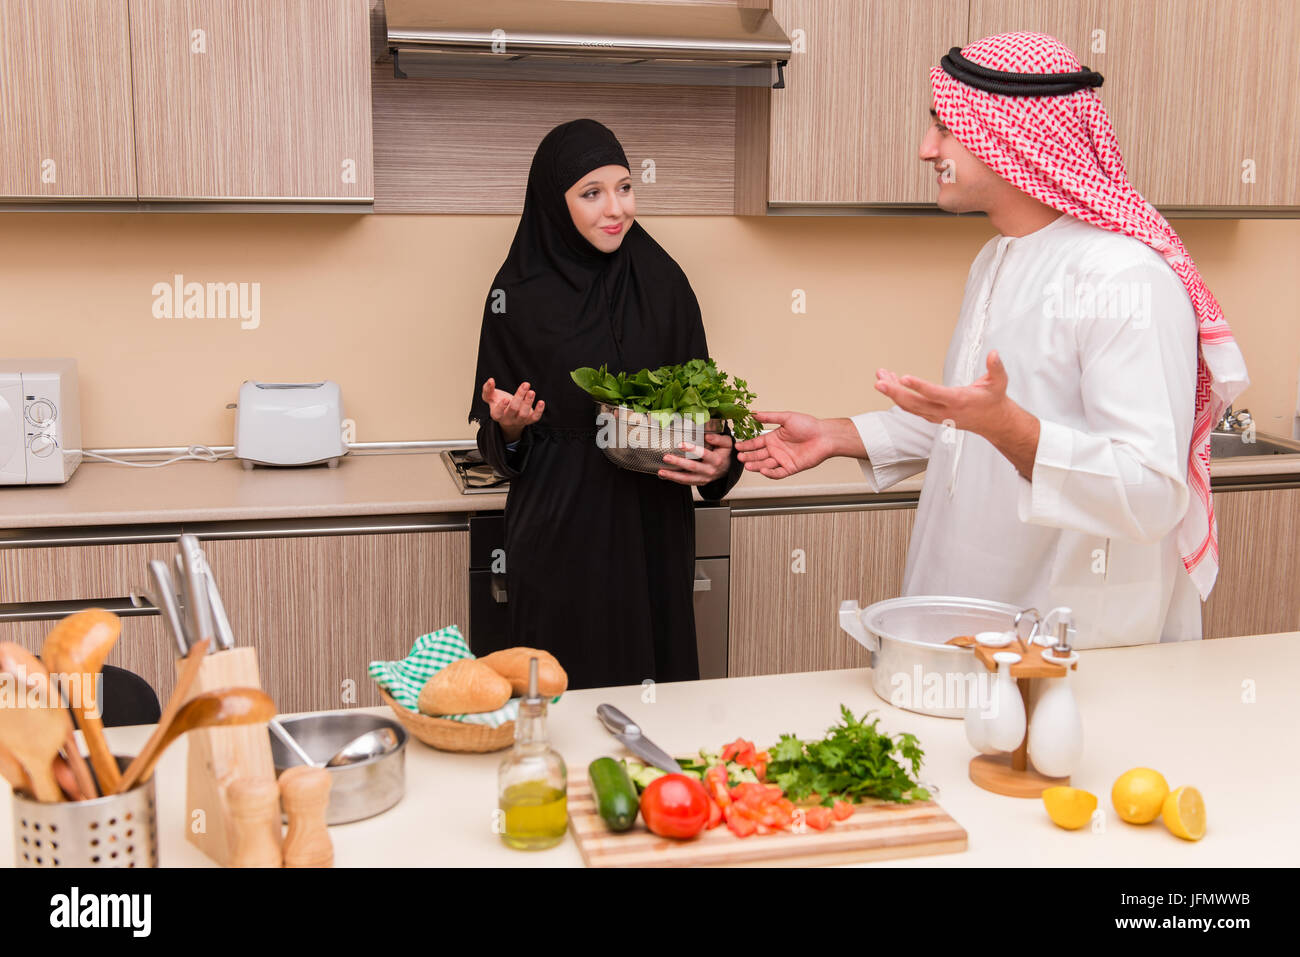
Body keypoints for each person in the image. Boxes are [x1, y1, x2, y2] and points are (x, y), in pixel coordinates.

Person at [736, 33, 1249, 648]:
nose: (928, 150)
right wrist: (840, 435)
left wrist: (1007, 425)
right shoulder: (997, 257)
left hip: (1072, 645)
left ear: (1009, 136)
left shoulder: (1123, 276)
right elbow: (973, 425)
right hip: (968, 615)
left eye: (944, 128)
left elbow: (1148, 494)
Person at [468, 118, 743, 689]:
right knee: (563, 704)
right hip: (561, 532)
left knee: (659, 707)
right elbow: (494, 444)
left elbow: (706, 411)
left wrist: (723, 462)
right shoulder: (514, 296)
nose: (615, 208)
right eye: (591, 194)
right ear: (554, 202)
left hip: (654, 532)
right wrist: (511, 430)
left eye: (624, 187)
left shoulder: (666, 282)